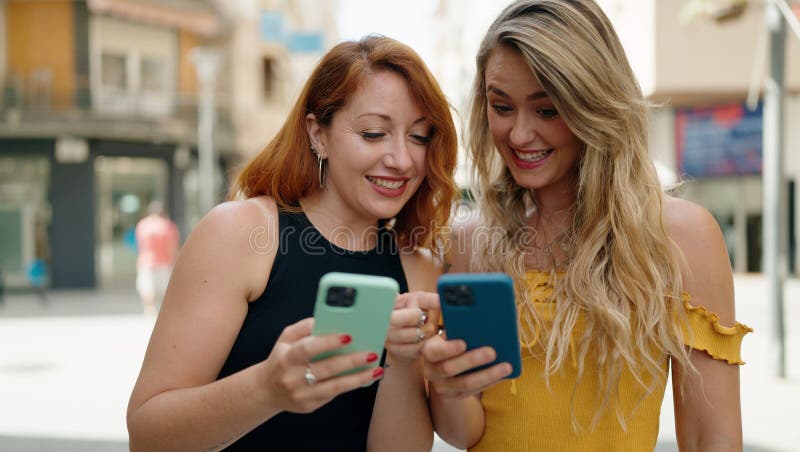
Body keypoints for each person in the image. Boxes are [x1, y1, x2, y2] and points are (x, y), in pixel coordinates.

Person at [420, 1, 752, 451]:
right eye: (502, 106)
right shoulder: (468, 239)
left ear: (593, 104)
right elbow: (465, 434)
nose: (518, 134)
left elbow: (711, 440)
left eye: (547, 110)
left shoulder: (682, 236)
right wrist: (445, 384)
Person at [126, 35, 457, 451]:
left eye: (420, 137)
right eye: (374, 133)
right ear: (318, 134)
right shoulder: (242, 233)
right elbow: (147, 434)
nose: (402, 159)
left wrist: (403, 359)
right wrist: (267, 389)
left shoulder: (418, 268)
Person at [134, 200, 179, 315]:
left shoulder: (142, 225)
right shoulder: (168, 226)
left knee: (147, 286)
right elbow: (172, 246)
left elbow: (139, 244)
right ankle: (164, 309)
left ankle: (149, 308)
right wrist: (174, 261)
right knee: (165, 287)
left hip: (146, 260)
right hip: (164, 260)